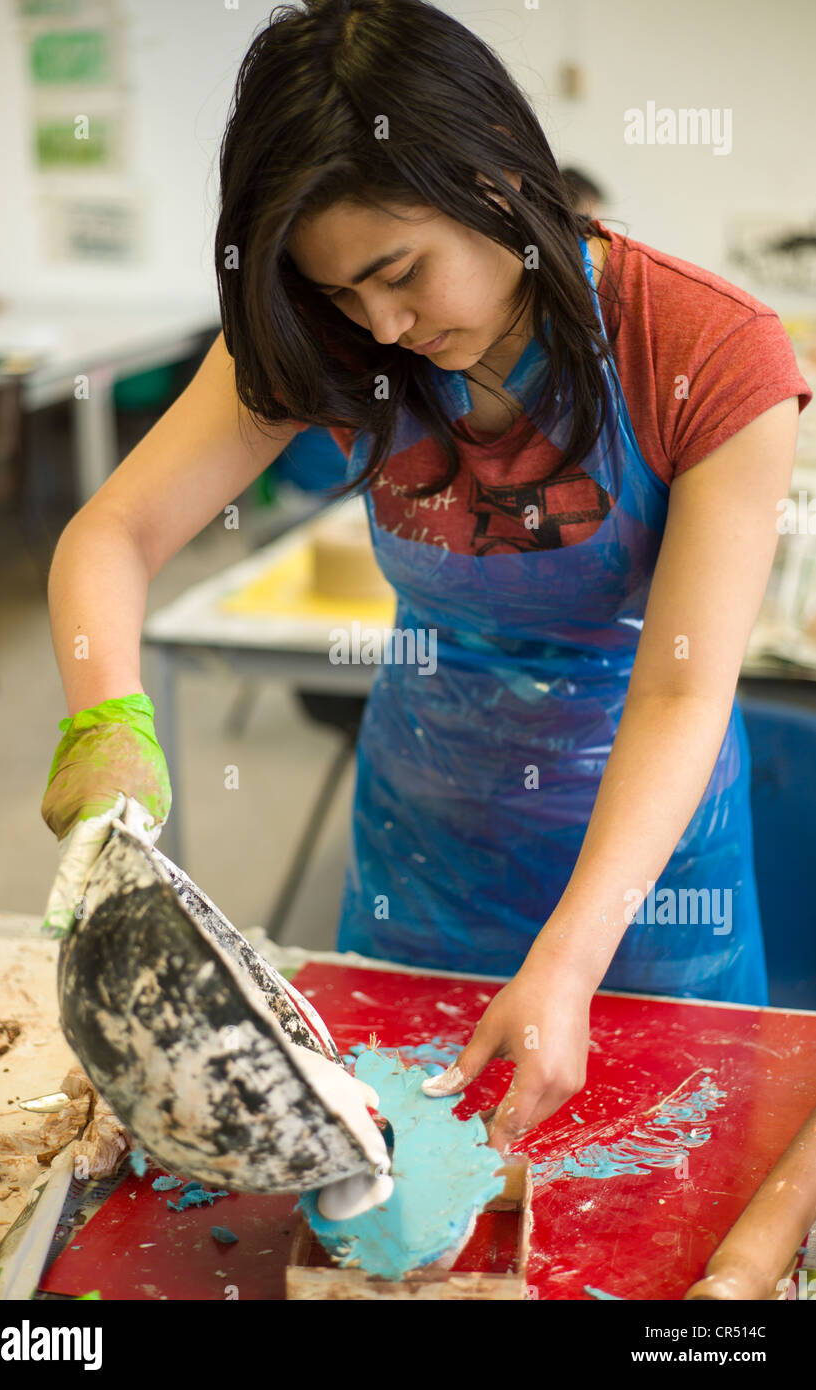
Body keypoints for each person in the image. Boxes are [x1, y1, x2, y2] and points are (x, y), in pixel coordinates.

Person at [41, 0, 811, 1156]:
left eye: (399, 273)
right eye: (342, 292)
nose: (383, 325)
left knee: (654, 1189)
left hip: (644, 887)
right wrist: (107, 719)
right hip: (425, 849)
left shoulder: (704, 350)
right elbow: (114, 535)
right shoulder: (338, 334)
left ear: (495, 176)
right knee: (395, 1189)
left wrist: (567, 959)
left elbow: (680, 692)